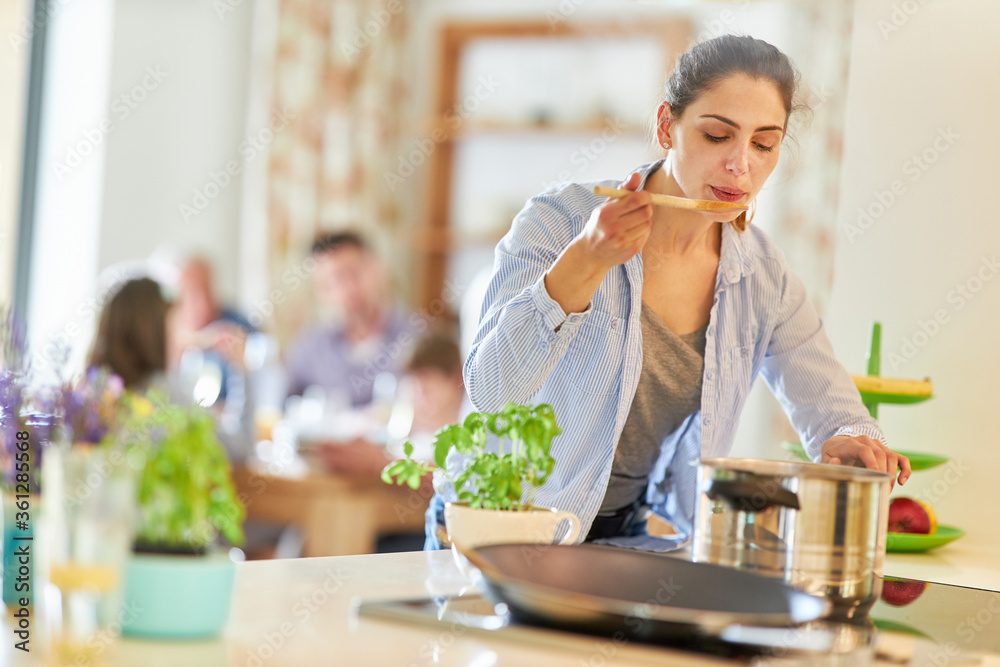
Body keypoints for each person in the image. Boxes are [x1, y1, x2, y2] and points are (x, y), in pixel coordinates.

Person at [427, 35, 912, 550]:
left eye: (764, 144)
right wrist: (584, 262)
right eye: (717, 135)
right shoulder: (557, 222)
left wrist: (852, 440)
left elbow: (829, 404)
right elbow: (492, 390)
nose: (740, 164)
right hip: (496, 520)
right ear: (667, 126)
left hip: (621, 533)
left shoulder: (762, 276)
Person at [285, 231, 417, 407]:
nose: (346, 288)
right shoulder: (310, 347)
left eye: (352, 274)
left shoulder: (419, 336)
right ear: (319, 292)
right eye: (331, 282)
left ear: (378, 269)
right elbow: (281, 410)